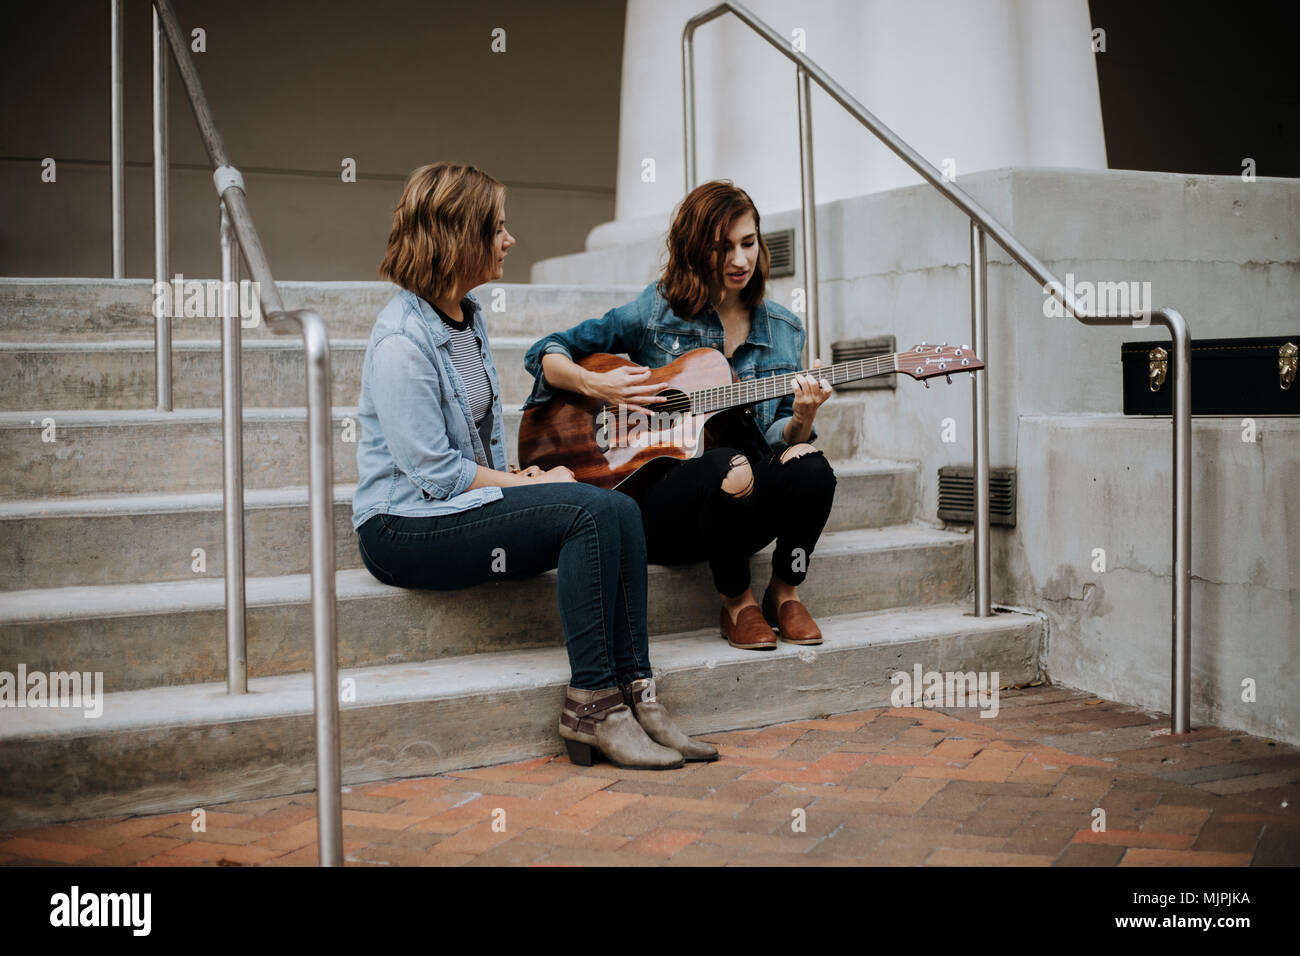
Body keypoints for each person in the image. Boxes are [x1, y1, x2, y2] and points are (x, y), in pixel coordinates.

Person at [352, 162, 717, 768]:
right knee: (586, 513)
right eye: (497, 228)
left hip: (461, 504)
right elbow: (435, 475)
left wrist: (525, 484)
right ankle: (592, 707)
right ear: (458, 236)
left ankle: (639, 695)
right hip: (402, 525)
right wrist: (531, 481)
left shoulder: (466, 315)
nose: (509, 239)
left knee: (620, 508)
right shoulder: (400, 341)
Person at [523, 180, 837, 653]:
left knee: (811, 465)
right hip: (669, 509)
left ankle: (784, 592)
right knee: (725, 463)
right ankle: (737, 602)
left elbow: (776, 439)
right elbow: (546, 351)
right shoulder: (657, 311)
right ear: (693, 249)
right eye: (722, 248)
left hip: (743, 508)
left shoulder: (785, 329)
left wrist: (803, 417)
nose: (739, 260)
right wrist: (597, 385)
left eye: (748, 243)